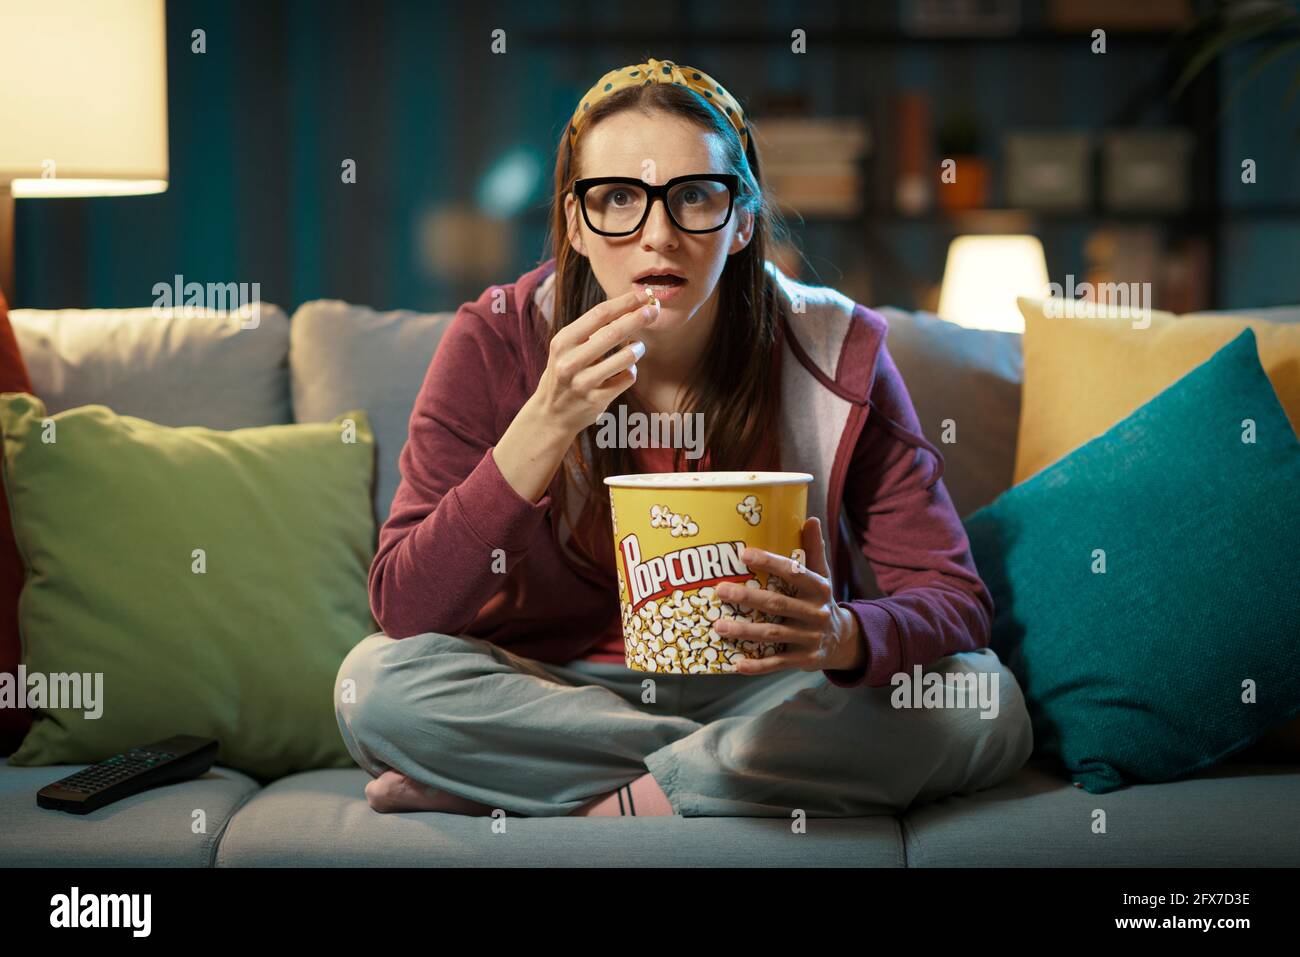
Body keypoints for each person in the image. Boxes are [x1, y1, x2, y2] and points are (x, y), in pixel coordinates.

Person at [335, 57, 1033, 818]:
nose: (657, 236)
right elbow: (405, 608)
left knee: (983, 699)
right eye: (618, 199)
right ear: (575, 223)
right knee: (373, 684)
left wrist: (842, 635)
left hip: (774, 688)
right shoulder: (495, 342)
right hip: (557, 687)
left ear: (740, 221)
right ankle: (713, 779)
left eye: (694, 195)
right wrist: (544, 420)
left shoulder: (838, 349)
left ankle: (581, 795)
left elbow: (953, 600)